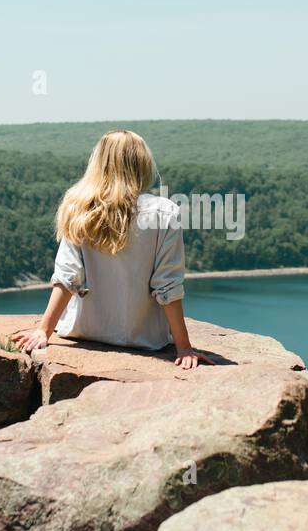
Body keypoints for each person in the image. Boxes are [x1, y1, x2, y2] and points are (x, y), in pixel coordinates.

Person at [11, 130, 207, 368]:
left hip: (84, 331)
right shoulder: (165, 212)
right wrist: (184, 347)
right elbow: (167, 285)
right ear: (142, 163)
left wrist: (44, 331)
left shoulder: (78, 206)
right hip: (145, 339)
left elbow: (67, 277)